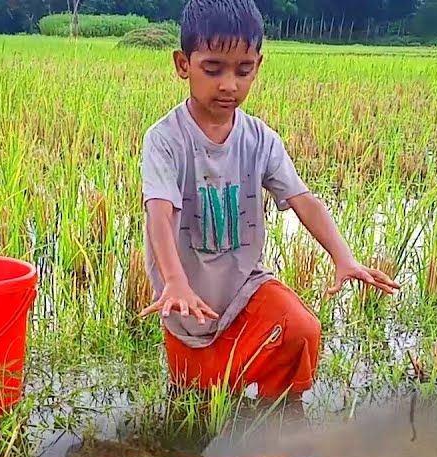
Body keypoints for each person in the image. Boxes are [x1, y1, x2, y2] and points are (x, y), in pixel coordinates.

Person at [138, 0, 399, 408]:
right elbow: (159, 211)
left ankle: (278, 420)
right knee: (194, 404)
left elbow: (303, 199)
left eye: (243, 71)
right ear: (182, 64)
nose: (229, 85)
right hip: (188, 298)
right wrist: (174, 280)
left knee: (300, 330)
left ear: (258, 66)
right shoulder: (165, 139)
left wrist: (343, 257)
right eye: (214, 69)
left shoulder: (260, 139)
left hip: (244, 286)